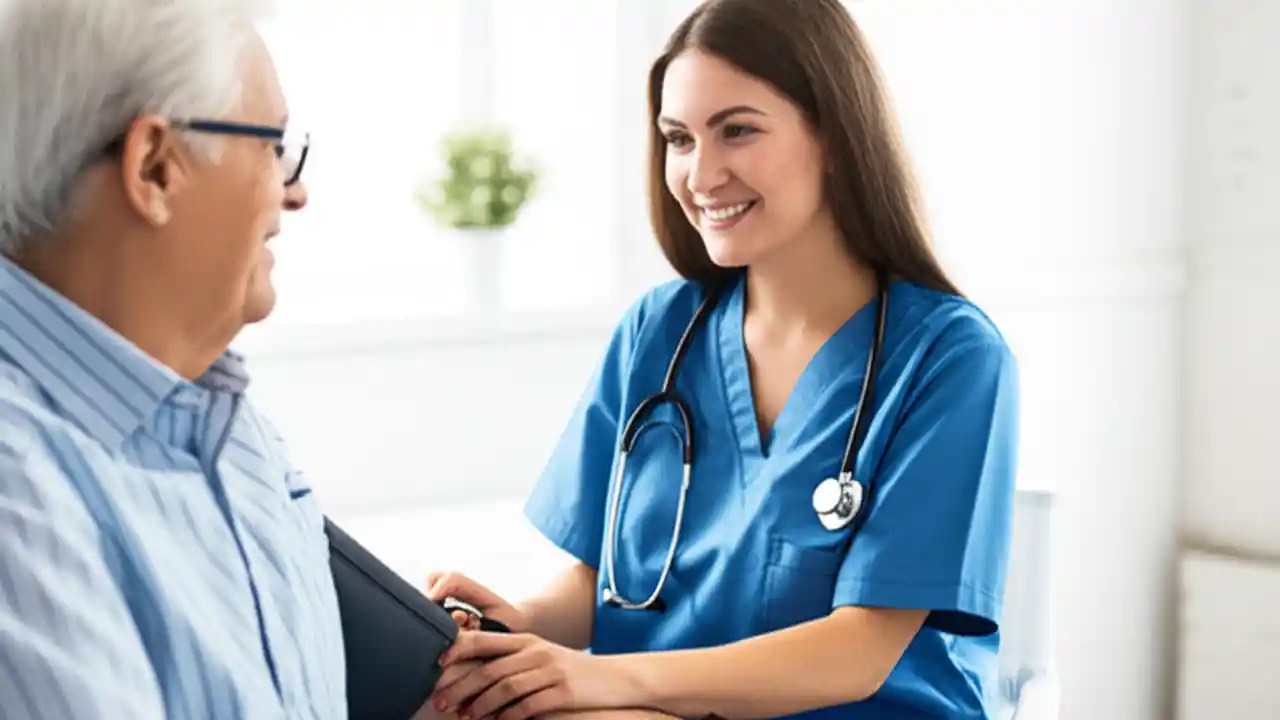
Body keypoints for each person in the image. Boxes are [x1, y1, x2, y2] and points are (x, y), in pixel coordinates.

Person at [425, 0, 1020, 718]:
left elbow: (860, 651)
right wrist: (519, 628)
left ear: (834, 135)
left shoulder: (948, 358)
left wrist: (608, 681)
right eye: (679, 138)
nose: (701, 175)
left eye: (737, 131)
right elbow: (603, 581)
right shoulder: (658, 331)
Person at [0, 1, 348, 717]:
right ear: (155, 167)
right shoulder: (17, 488)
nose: (296, 189)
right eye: (271, 145)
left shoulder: (234, 430)